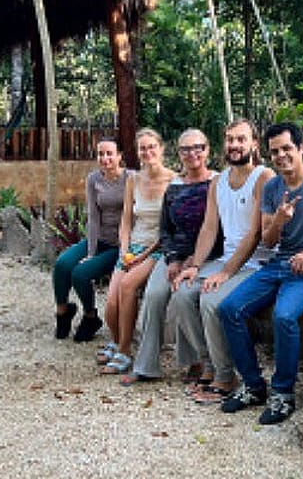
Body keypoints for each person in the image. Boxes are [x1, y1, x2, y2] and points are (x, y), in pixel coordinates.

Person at [216, 122, 303, 425]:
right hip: (280, 264)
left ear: (301, 148)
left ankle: (283, 394)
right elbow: (268, 240)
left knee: (284, 316)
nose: (281, 156)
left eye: (287, 149)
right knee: (229, 309)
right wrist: (280, 219)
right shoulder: (272, 188)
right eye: (274, 152)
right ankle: (254, 386)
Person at [170, 119, 274, 403]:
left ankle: (226, 377)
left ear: (254, 144)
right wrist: (194, 266)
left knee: (210, 299)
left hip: (257, 264)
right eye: (230, 139)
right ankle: (210, 364)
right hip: (227, 260)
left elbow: (255, 235)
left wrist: (225, 274)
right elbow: (209, 228)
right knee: (182, 292)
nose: (235, 145)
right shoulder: (218, 181)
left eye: (241, 139)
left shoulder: (263, 177)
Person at [122, 128, 217, 386]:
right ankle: (145, 365)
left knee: (182, 293)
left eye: (197, 147)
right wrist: (174, 259)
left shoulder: (217, 182)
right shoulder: (173, 187)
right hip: (174, 256)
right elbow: (165, 229)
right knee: (154, 295)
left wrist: (193, 261)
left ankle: (197, 361)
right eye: (185, 149)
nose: (192, 154)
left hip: (207, 257)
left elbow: (217, 231)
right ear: (179, 153)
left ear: (207, 150)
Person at [97, 128, 174, 375]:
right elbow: (126, 220)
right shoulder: (133, 180)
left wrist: (142, 255)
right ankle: (122, 339)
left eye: (152, 146)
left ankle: (124, 352)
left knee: (128, 286)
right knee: (111, 302)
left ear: (161, 149)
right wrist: (124, 248)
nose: (147, 152)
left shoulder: (174, 180)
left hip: (157, 248)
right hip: (133, 246)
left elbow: (168, 228)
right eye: (142, 148)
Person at [52, 137, 130, 342]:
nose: (105, 158)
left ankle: (90, 315)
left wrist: (126, 249)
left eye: (109, 154)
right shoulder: (94, 179)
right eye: (100, 154)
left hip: (120, 245)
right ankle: (63, 311)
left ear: (119, 156)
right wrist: (91, 252)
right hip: (99, 240)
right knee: (62, 264)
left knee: (80, 273)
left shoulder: (131, 178)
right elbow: (93, 217)